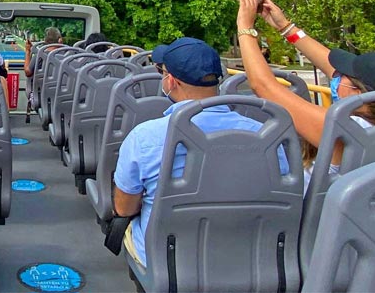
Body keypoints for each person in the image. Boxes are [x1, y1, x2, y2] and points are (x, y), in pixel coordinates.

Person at [112, 37, 288, 266]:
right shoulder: (266, 135)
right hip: (251, 257)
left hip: (169, 260)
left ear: (171, 81)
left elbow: (124, 207)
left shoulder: (145, 137)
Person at [235, 0, 375, 175]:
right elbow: (329, 61)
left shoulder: (346, 129)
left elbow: (264, 86)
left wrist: (245, 27)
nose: (336, 76)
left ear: (359, 93)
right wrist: (285, 27)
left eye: (343, 75)